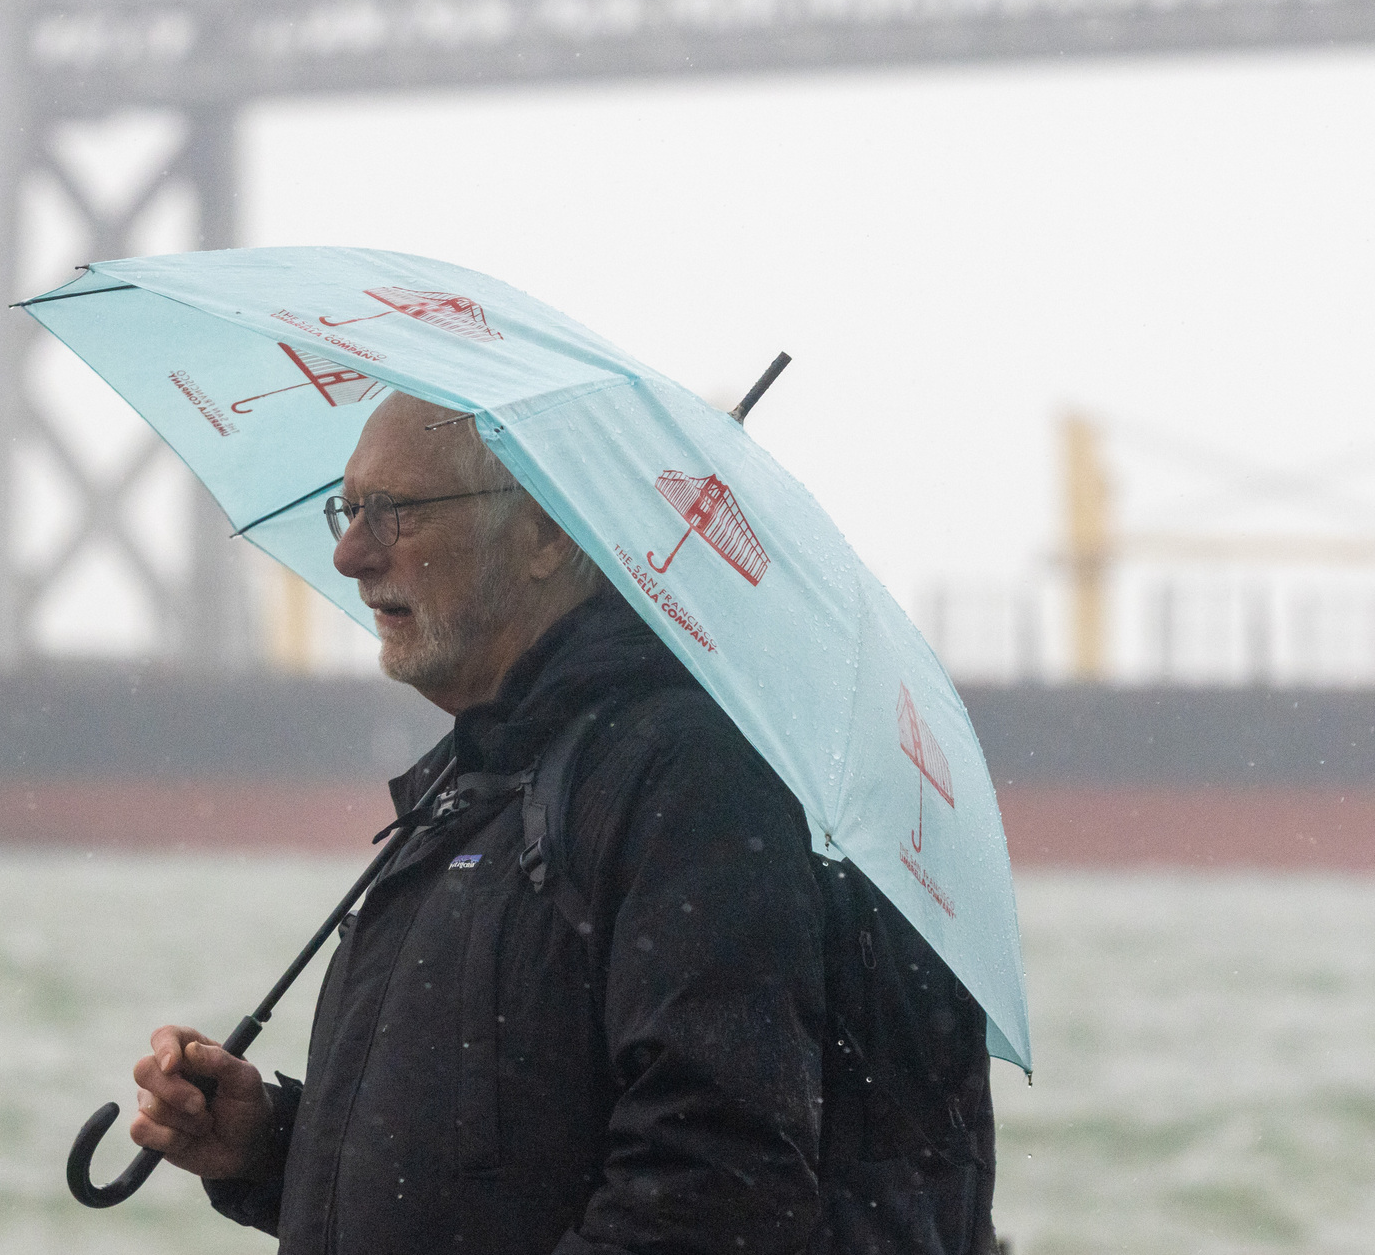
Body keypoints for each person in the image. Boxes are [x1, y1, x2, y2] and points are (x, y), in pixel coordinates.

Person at [128, 393, 999, 1254]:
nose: (352, 553)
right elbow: (493, 1182)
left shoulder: (687, 784)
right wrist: (270, 1143)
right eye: (348, 509)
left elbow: (717, 1191)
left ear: (546, 536)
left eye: (394, 513)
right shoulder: (474, 782)